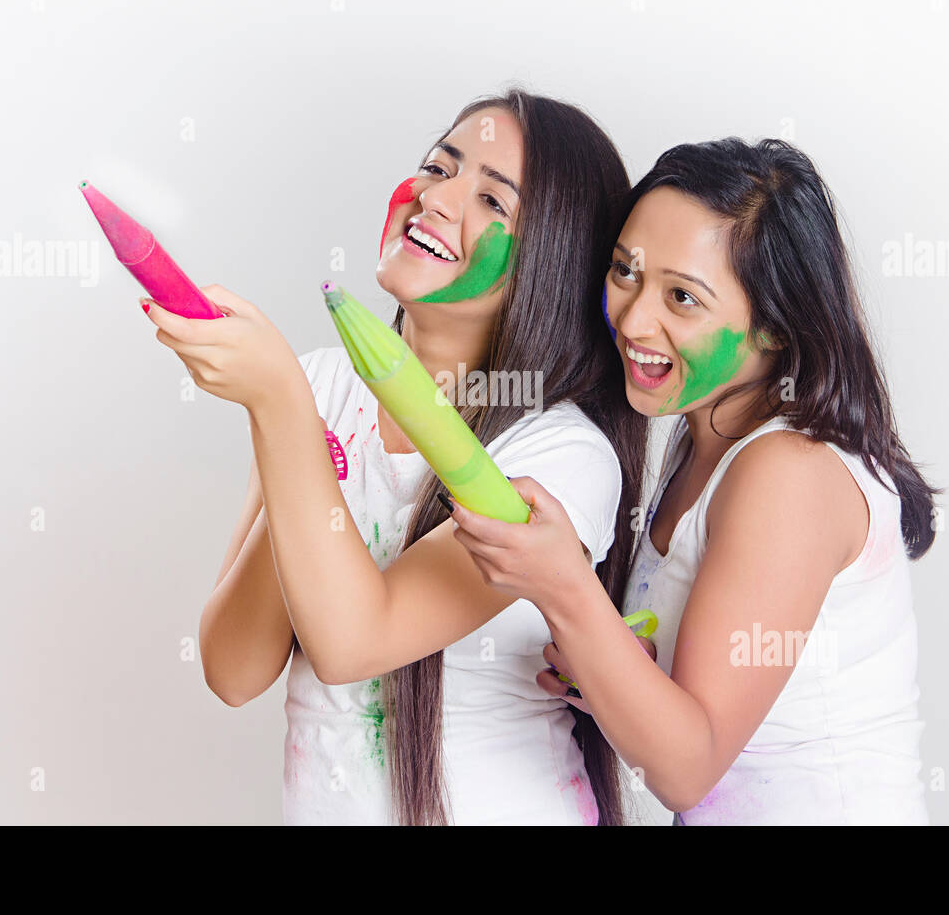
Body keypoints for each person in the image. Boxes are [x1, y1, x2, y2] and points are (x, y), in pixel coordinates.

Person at [142, 89, 648, 824]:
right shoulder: (317, 384)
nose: (437, 199)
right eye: (438, 166)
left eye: (491, 200)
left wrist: (282, 407)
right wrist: (297, 419)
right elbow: (233, 667)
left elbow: (355, 641)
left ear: (554, 262)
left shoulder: (564, 456)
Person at [450, 138, 938, 824]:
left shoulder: (788, 472)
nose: (634, 319)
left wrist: (565, 589)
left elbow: (685, 770)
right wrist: (616, 664)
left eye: (682, 297)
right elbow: (703, 715)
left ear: (774, 327)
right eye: (625, 273)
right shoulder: (701, 442)